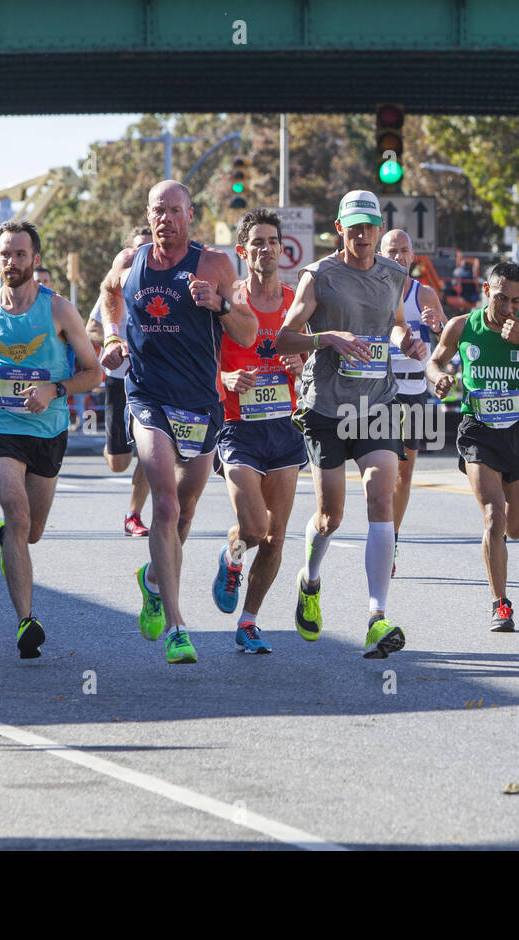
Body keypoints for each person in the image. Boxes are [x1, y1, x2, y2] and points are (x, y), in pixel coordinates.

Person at [98, 181, 255, 665]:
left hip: (201, 405)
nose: (164, 218)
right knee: (164, 505)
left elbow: (247, 332)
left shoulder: (215, 265)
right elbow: (109, 293)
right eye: (157, 211)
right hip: (148, 398)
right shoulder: (131, 262)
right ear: (148, 215)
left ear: (191, 215)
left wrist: (221, 304)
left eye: (173, 210)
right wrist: (111, 336)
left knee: (183, 515)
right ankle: (177, 627)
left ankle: (151, 580)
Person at [275, 190, 428, 659]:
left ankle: (376, 619)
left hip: (377, 403)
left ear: (380, 230)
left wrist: (409, 341)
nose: (362, 235)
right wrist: (327, 338)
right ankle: (310, 580)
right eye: (354, 227)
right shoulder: (319, 276)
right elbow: (283, 337)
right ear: (340, 229)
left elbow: (396, 322)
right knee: (331, 517)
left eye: (370, 227)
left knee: (382, 495)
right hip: (327, 408)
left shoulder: (394, 274)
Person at [0, 220, 101, 658]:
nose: (10, 262)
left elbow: (94, 372)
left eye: (19, 254)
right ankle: (25, 623)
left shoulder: (59, 311)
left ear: (36, 259)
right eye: (5, 254)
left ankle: (9, 539)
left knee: (31, 531)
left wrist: (54, 390)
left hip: (48, 430)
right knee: (17, 513)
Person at [425, 261, 519, 632]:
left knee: (514, 530)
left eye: (517, 300)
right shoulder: (462, 326)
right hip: (478, 430)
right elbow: (434, 361)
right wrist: (439, 379)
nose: (508, 308)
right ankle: (500, 604)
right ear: (487, 291)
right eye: (501, 298)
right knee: (493, 517)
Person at [209, 209, 309, 653]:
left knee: (277, 535)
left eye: (273, 241)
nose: (267, 249)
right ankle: (231, 555)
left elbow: (314, 358)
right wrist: (225, 380)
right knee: (253, 527)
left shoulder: (295, 303)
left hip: (284, 427)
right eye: (258, 242)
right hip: (238, 427)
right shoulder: (228, 301)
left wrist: (300, 366)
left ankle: (249, 622)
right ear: (242, 251)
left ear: (281, 249)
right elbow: (200, 359)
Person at [379, 229, 446, 575]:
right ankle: (380, 529)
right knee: (380, 469)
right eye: (392, 250)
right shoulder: (372, 288)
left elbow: (446, 340)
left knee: (404, 473)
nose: (398, 257)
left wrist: (437, 327)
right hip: (377, 391)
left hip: (414, 391)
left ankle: (391, 538)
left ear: (412, 256)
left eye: (404, 251)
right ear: (380, 254)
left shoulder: (424, 294)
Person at [85, 226, 154, 536]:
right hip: (119, 379)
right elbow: (91, 329)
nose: (145, 255)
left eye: (150, 249)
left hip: (155, 380)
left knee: (152, 449)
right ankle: (112, 445)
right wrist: (114, 343)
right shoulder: (116, 286)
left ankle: (134, 515)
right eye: (138, 249)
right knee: (118, 462)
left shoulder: (165, 289)